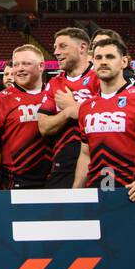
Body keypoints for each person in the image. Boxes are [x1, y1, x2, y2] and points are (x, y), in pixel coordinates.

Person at [71, 37, 135, 269]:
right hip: (97, 199)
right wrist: (75, 192)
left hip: (132, 199)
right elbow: (85, 154)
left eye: (110, 57)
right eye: (99, 57)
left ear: (124, 61)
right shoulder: (86, 107)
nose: (103, 62)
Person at [0, 44, 51, 190]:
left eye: (26, 64)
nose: (20, 68)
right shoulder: (0, 100)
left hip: (54, 177)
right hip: (17, 179)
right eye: (16, 64)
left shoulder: (55, 94)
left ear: (41, 66)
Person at [38, 27, 95, 188]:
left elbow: (112, 114)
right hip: (65, 159)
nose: (56, 52)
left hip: (100, 157)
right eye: (55, 47)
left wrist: (75, 107)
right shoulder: (55, 83)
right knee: (60, 212)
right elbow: (43, 127)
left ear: (82, 47)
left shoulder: (100, 77)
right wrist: (69, 113)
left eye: (63, 46)